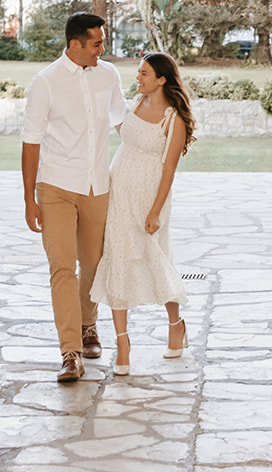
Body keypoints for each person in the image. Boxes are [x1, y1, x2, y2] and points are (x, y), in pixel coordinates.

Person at [21, 12, 128, 383]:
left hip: (98, 185)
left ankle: (88, 325)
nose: (103, 49)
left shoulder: (109, 75)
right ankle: (70, 352)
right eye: (97, 43)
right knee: (62, 267)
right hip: (56, 187)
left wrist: (163, 131)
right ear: (75, 45)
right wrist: (29, 199)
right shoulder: (45, 83)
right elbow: (31, 143)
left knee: (94, 263)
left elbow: (122, 120)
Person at [90, 50, 195, 376]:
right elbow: (121, 130)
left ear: (162, 79)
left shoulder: (173, 118)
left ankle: (175, 325)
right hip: (119, 194)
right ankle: (123, 343)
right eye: (138, 72)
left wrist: (155, 211)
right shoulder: (133, 105)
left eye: (144, 73)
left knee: (155, 259)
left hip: (150, 198)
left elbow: (168, 170)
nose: (138, 78)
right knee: (118, 260)